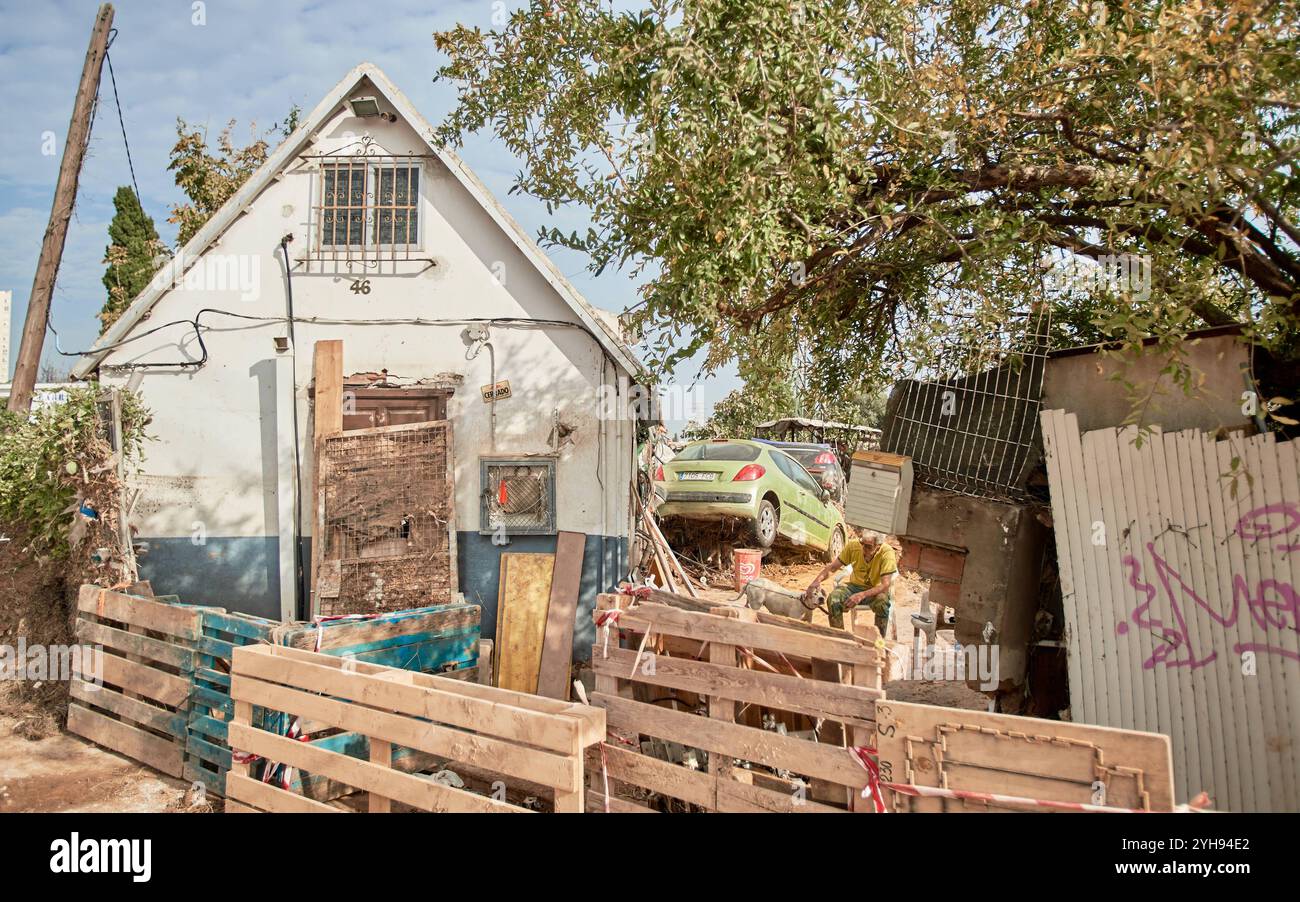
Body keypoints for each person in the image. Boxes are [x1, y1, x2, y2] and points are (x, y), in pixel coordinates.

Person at [804, 527, 897, 632]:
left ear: (878, 546)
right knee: (833, 599)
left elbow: (885, 585)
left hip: (875, 591)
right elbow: (833, 567)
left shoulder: (887, 553)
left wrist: (861, 595)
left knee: (882, 603)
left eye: (868, 546)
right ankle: (839, 636)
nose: (863, 548)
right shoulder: (853, 546)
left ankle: (878, 642)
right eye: (862, 543)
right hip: (854, 587)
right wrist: (816, 581)